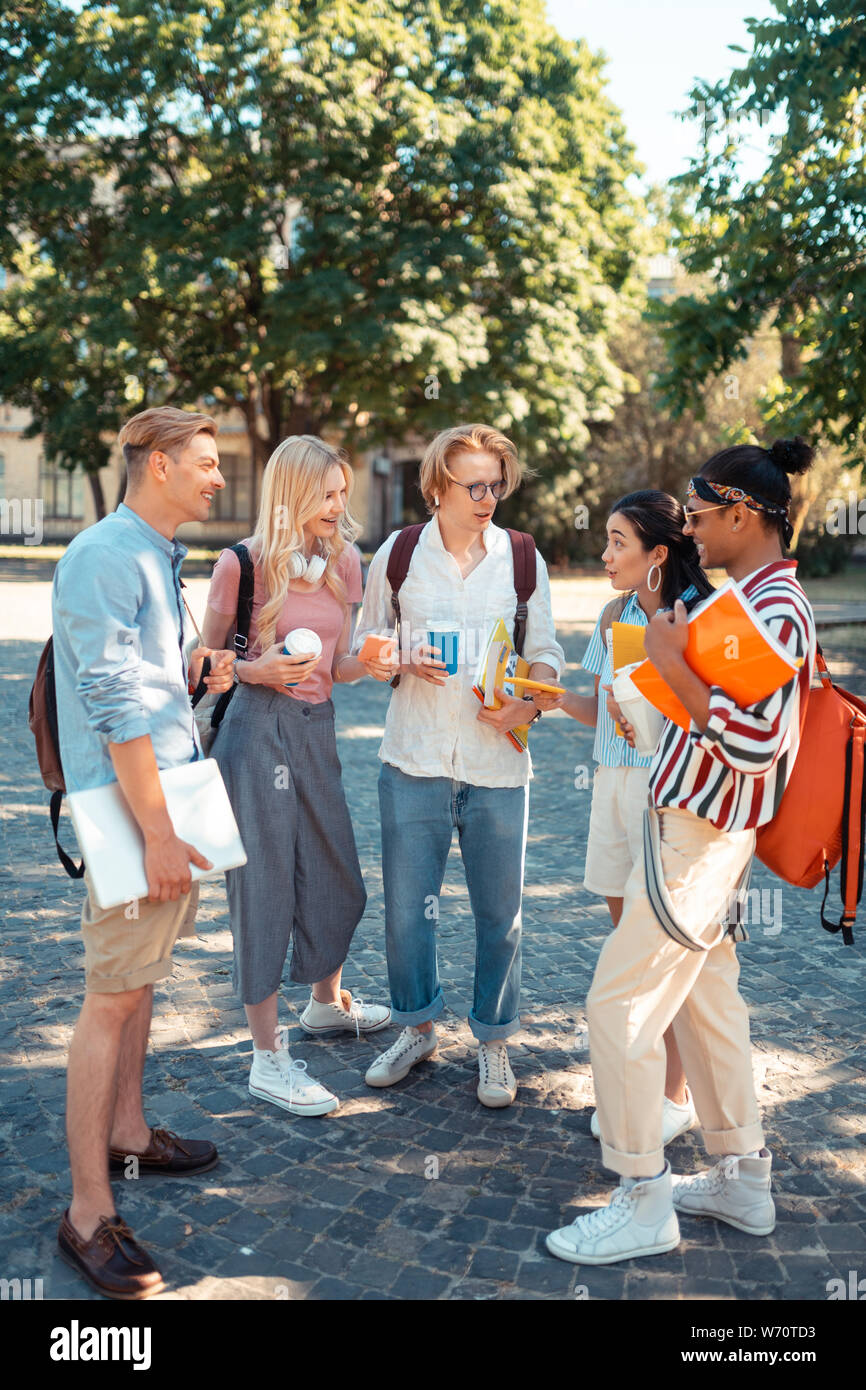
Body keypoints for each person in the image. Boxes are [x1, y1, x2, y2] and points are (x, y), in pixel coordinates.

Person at [546, 437, 817, 1266]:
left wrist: (670, 664)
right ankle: (742, 1178)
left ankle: (641, 1197)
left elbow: (756, 740)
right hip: (700, 834)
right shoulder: (758, 598)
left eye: (699, 516)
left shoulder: (773, 610)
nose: (692, 530)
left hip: (696, 837)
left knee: (617, 1007)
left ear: (742, 514)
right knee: (707, 1007)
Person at [52, 406, 236, 1300]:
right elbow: (115, 706)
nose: (216, 477)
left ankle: (128, 1131)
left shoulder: (157, 557)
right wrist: (158, 833)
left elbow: (151, 687)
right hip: (134, 811)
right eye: (203, 463)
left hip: (168, 794)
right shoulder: (103, 555)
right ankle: (88, 1213)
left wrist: (201, 673)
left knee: (144, 980)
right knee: (112, 998)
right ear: (157, 464)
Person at [351, 423, 565, 1107]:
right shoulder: (400, 553)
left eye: (496, 485)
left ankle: (494, 1044)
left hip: (498, 766)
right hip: (412, 757)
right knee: (409, 915)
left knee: (500, 916)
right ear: (437, 487)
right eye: (474, 485)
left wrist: (529, 706)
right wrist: (397, 656)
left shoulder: (524, 559)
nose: (488, 497)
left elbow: (549, 654)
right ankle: (415, 1029)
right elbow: (364, 644)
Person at [201, 435, 390, 1119]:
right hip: (255, 731)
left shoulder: (345, 563)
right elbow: (204, 660)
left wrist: (374, 662)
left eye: (344, 493)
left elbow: (336, 666)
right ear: (294, 495)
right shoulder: (240, 566)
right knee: (265, 887)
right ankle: (266, 1057)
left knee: (338, 874)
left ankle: (323, 1005)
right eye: (329, 495)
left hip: (317, 730)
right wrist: (253, 668)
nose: (341, 507)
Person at [534, 491, 713, 1144]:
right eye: (605, 539)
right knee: (627, 950)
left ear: (657, 553)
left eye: (618, 542)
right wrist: (543, 698)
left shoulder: (693, 617)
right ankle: (648, 1083)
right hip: (611, 788)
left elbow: (706, 717)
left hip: (666, 795)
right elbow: (595, 706)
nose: (604, 554)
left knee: (658, 950)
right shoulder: (613, 616)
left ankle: (674, 1095)